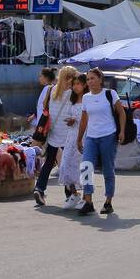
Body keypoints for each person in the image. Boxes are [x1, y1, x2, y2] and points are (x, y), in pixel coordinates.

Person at [76, 68, 126, 216]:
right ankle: (89, 201)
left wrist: (122, 131)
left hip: (108, 135)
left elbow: (121, 112)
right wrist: (79, 138)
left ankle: (108, 202)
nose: (89, 82)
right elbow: (84, 120)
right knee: (86, 167)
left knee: (108, 169)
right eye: (88, 79)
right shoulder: (86, 98)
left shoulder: (110, 94)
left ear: (100, 79)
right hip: (91, 137)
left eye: (92, 78)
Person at [34, 66, 77, 207]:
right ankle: (69, 193)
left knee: (49, 162)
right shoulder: (73, 93)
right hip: (67, 133)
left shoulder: (51, 90)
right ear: (70, 78)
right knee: (67, 164)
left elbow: (46, 108)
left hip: (53, 132)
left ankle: (39, 189)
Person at [55, 72, 88, 209]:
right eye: (74, 84)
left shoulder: (88, 99)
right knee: (65, 164)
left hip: (85, 136)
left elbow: (89, 119)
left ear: (84, 85)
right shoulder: (73, 100)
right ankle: (74, 194)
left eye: (78, 84)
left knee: (83, 166)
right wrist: (71, 120)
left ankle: (86, 197)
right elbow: (71, 116)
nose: (75, 87)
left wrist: (77, 120)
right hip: (71, 137)